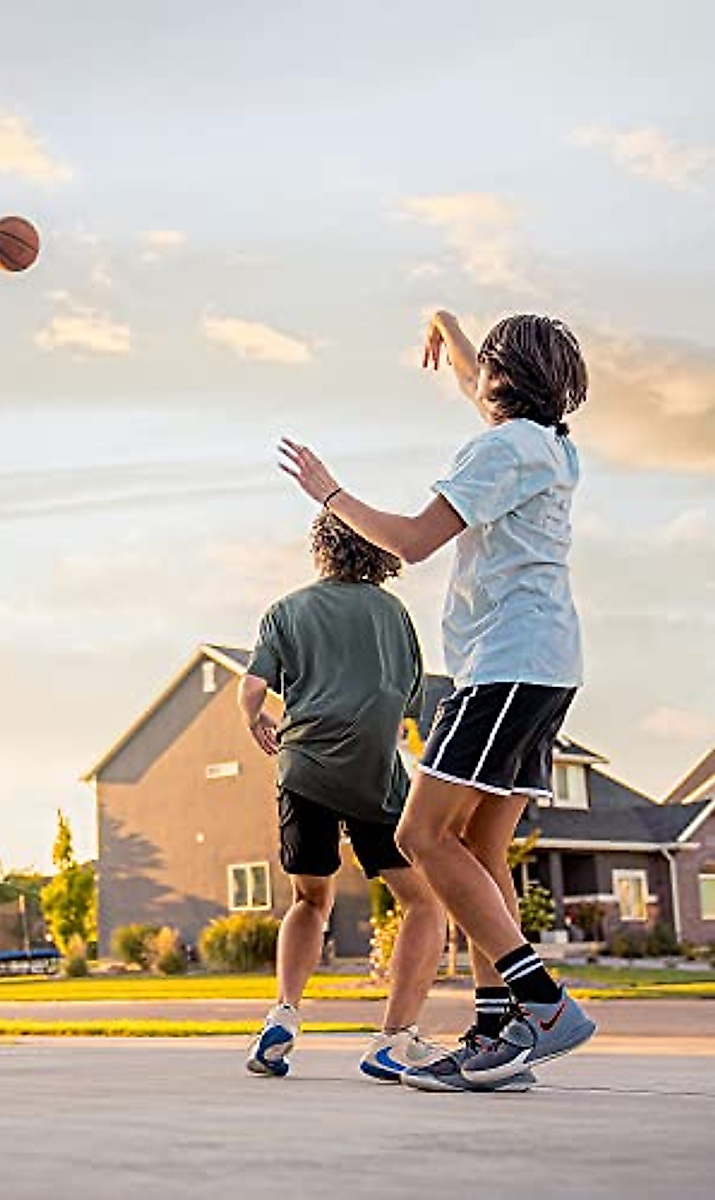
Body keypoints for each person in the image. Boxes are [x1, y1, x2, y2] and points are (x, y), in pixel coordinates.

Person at [278, 310, 596, 1090]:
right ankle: (501, 1036)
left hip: (504, 666)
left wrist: (332, 492)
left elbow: (414, 541)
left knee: (422, 833)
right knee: (481, 852)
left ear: (502, 383)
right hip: (548, 665)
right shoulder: (548, 445)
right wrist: (448, 324)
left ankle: (543, 1003)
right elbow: (472, 382)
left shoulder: (498, 447)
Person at [240, 509, 447, 1082]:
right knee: (424, 902)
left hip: (302, 769)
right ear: (378, 550)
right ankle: (393, 1038)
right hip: (374, 774)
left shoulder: (286, 610)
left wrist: (255, 719)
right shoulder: (393, 614)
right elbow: (408, 701)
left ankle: (283, 1014)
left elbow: (252, 687)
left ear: (322, 551)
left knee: (310, 900)